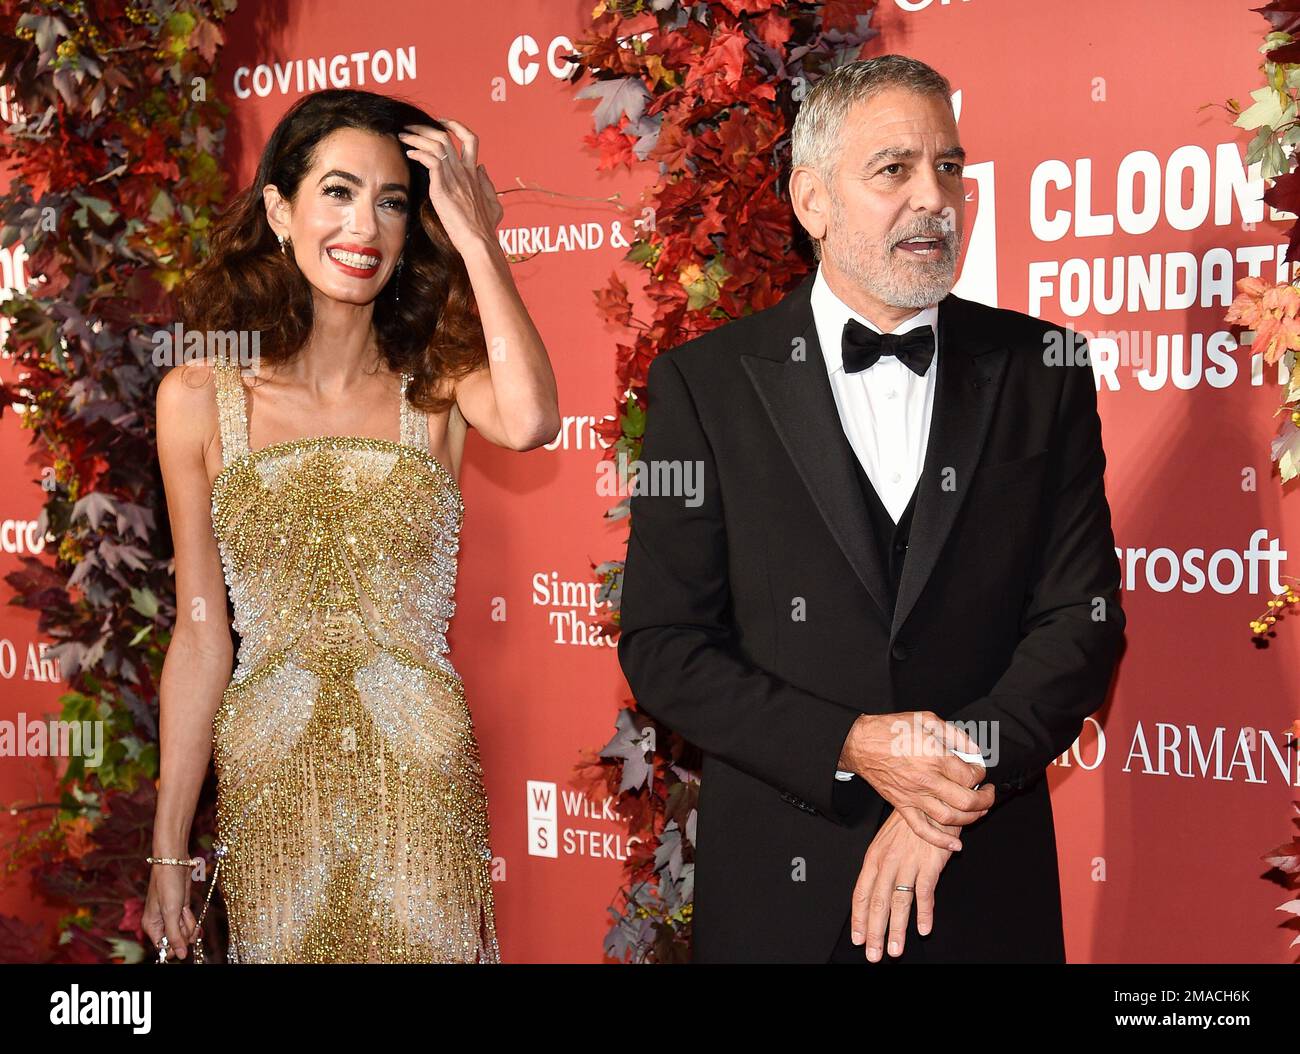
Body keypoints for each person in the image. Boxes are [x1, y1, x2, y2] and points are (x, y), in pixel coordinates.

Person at [616, 55, 1125, 963]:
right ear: (812, 201)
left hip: (981, 882)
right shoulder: (701, 386)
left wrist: (944, 791)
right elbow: (666, 647)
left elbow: (1078, 623)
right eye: (893, 170)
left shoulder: (1045, 367)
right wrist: (853, 743)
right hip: (782, 897)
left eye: (951, 168)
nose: (933, 198)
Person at [143, 89, 558, 963]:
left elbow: (528, 421)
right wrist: (169, 845)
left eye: (393, 199)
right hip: (272, 791)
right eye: (337, 191)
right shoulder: (196, 399)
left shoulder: (438, 384)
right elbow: (201, 632)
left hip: (418, 787)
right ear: (278, 208)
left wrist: (479, 235)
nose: (363, 225)